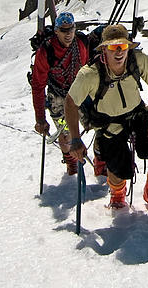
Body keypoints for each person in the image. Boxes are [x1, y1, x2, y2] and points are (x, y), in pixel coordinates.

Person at [65, 24, 148, 210]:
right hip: (109, 124)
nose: (118, 52)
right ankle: (117, 193)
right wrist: (75, 138)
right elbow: (70, 103)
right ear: (104, 49)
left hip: (137, 114)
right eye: (113, 47)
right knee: (118, 171)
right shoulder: (90, 74)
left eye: (122, 47)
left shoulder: (139, 61)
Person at [30, 11, 101, 176]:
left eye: (71, 29)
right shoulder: (46, 51)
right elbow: (38, 85)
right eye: (64, 30)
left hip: (82, 91)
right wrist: (40, 118)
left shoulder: (82, 43)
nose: (68, 34)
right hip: (58, 96)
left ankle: (101, 161)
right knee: (66, 133)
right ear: (56, 31)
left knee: (100, 124)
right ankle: (71, 163)